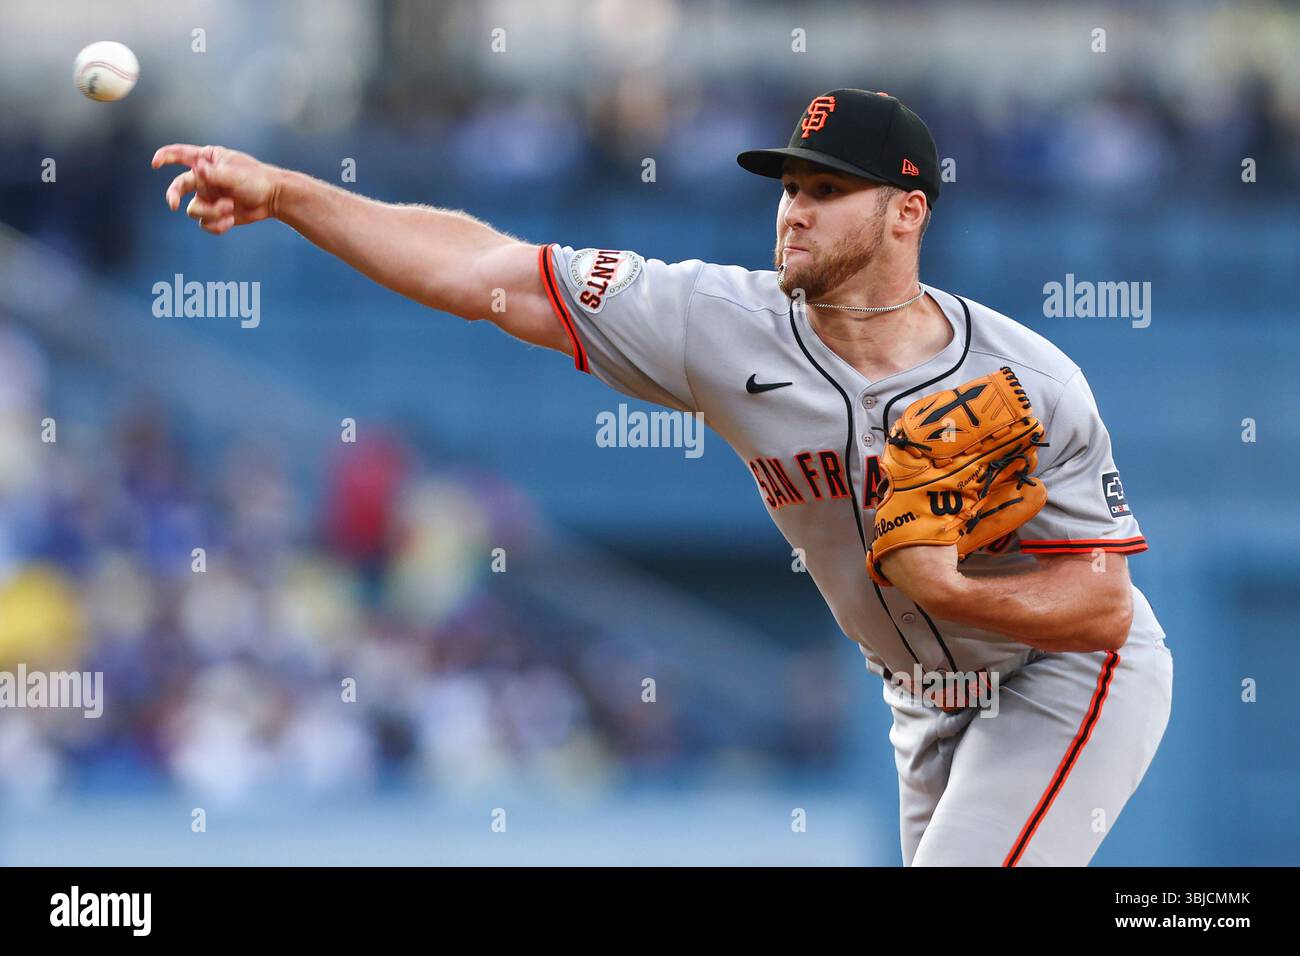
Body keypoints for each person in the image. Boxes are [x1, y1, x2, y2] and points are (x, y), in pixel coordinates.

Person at [153, 88, 1172, 866]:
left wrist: (950, 586)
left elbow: (1101, 610)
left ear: (907, 212)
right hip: (919, 695)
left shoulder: (1026, 382)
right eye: (787, 187)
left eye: (826, 189)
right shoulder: (718, 323)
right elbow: (483, 271)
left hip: (1061, 678)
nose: (794, 211)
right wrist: (288, 195)